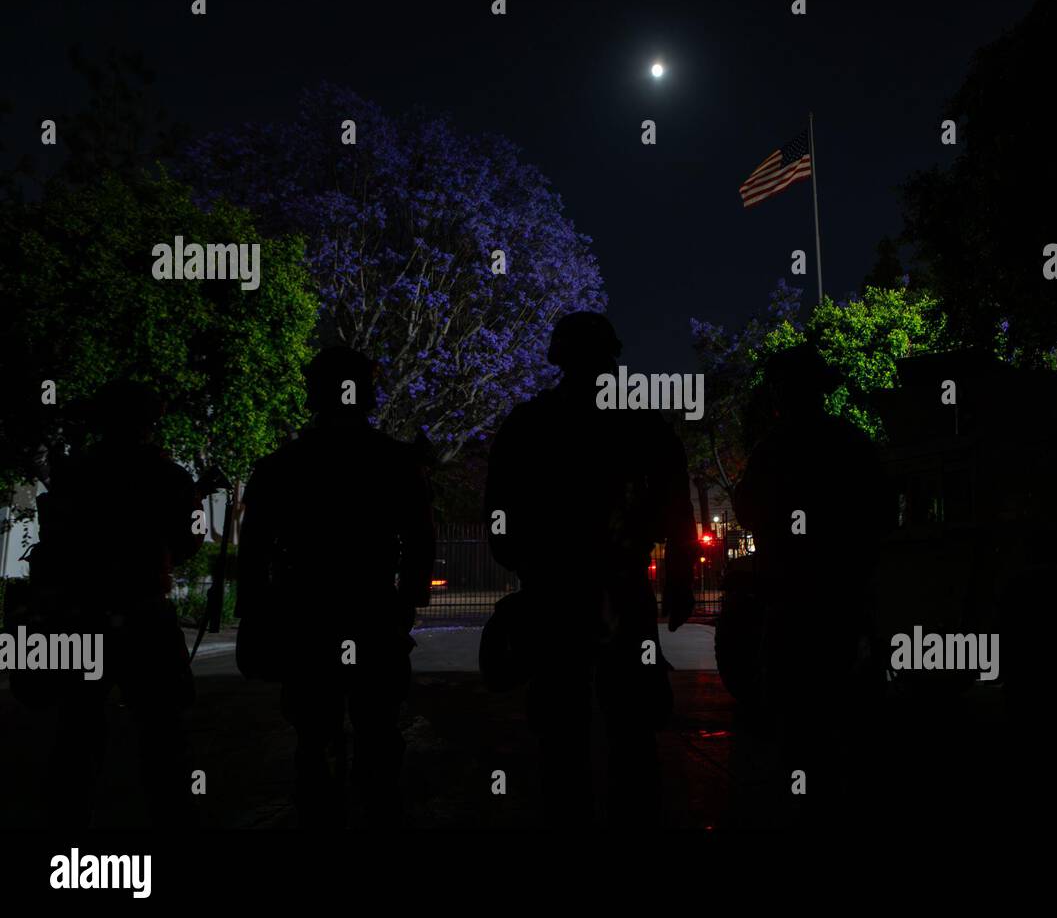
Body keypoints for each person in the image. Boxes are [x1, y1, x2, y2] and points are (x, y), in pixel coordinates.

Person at [485, 311, 696, 826]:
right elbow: (675, 508)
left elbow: (500, 511)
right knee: (627, 729)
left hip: (560, 591)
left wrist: (524, 564)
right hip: (616, 587)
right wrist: (679, 579)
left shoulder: (531, 422)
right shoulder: (640, 423)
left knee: (565, 731)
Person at [237, 347, 436, 828]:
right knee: (377, 729)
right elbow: (419, 537)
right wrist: (407, 598)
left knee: (315, 732)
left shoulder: (281, 465)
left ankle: (323, 808)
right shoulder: (393, 461)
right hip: (370, 606)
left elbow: (255, 548)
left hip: (307, 611)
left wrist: (257, 609)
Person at [732, 343, 894, 816]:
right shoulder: (851, 443)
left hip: (795, 602)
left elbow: (747, 509)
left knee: (798, 724)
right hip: (844, 600)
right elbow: (883, 512)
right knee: (851, 720)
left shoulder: (775, 448)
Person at [39, 380, 202, 828]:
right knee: (164, 732)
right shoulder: (167, 475)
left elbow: (54, 541)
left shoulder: (77, 471)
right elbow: (188, 540)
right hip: (144, 610)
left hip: (83, 613)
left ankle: (67, 818)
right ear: (149, 422)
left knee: (77, 729)